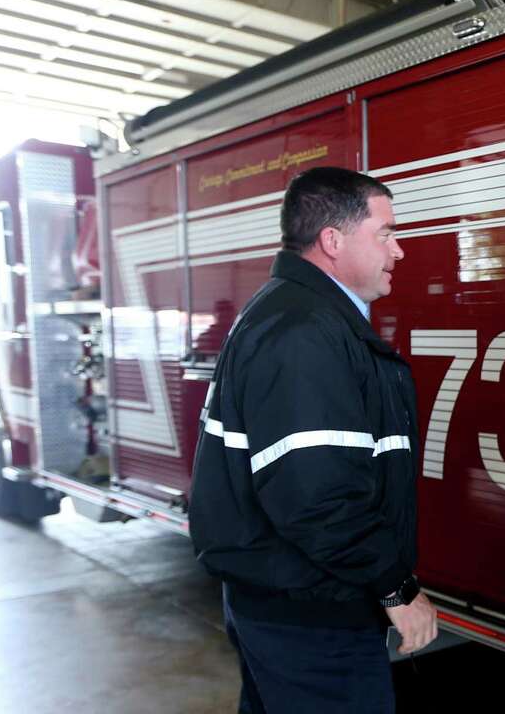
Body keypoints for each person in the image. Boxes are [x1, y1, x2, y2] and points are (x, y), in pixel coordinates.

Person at [189, 167, 437, 713]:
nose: (398, 252)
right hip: (312, 617)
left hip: (287, 605)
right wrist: (396, 587)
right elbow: (317, 497)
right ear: (332, 240)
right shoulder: (305, 334)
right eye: (386, 234)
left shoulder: (295, 315)